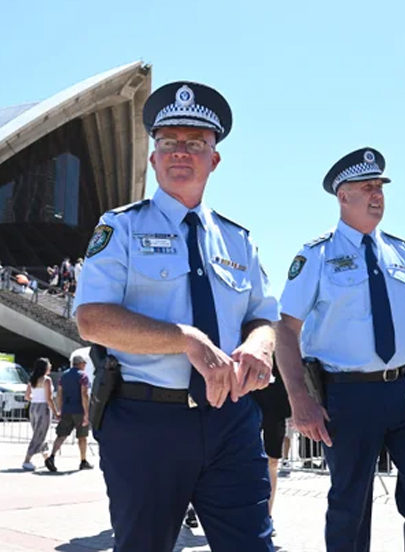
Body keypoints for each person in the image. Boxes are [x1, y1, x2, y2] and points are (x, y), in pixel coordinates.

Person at [74, 81, 279, 551]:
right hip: (147, 422)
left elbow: (263, 316)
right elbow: (92, 320)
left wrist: (257, 345)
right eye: (168, 142)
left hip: (231, 422)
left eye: (195, 143)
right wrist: (186, 338)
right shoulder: (120, 227)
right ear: (153, 158)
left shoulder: (238, 240)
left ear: (214, 159)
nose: (180, 152)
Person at [275, 147, 405, 551]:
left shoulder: (400, 251)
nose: (377, 195)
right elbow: (286, 328)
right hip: (348, 395)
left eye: (380, 188)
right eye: (367, 187)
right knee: (350, 505)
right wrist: (298, 397)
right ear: (343, 196)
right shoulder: (316, 255)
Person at [250, 356, 292, 535]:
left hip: (276, 406)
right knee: (240, 461)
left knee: (272, 462)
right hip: (248, 401)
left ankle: (267, 516)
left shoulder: (282, 331)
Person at [45, 353, 93, 472]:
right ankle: (83, 460)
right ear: (81, 364)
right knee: (82, 436)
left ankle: (52, 456)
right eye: (84, 363)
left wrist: (60, 409)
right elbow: (84, 394)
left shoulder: (64, 376)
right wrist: (87, 413)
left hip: (67, 409)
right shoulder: (83, 376)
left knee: (61, 435)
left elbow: (59, 394)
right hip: (79, 410)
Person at [22, 357, 59, 471]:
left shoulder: (32, 379)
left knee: (38, 432)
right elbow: (49, 398)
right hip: (43, 407)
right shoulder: (46, 380)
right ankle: (27, 460)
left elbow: (27, 396)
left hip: (33, 407)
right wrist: (56, 412)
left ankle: (46, 457)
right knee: (40, 434)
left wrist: (36, 397)